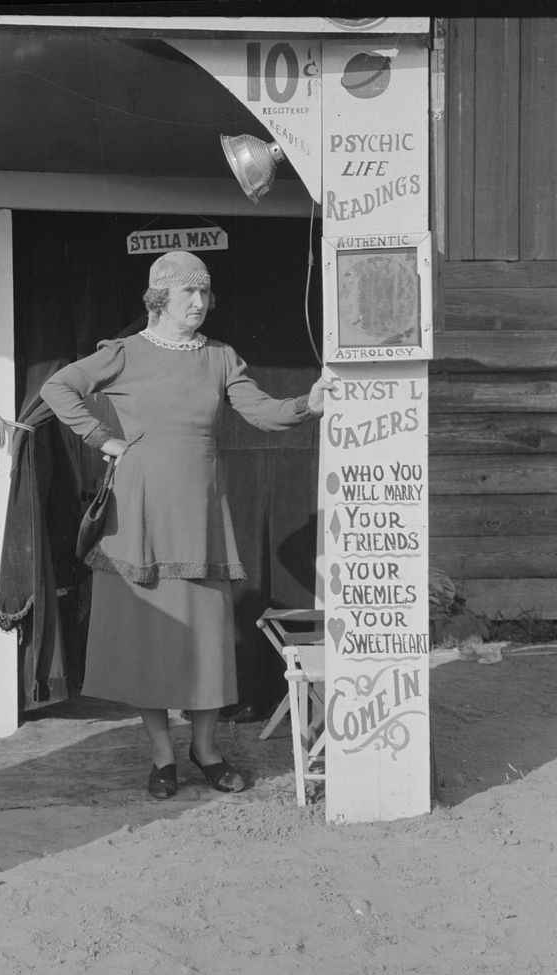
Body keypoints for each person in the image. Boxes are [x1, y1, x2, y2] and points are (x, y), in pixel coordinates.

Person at [40, 250, 333, 799]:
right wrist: (103, 439)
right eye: (187, 294)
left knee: (204, 641)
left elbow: (261, 411)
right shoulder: (124, 354)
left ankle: (207, 751)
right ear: (158, 299)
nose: (199, 304)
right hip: (139, 516)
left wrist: (308, 403)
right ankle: (160, 757)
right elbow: (58, 388)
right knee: (147, 638)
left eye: (205, 294)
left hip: (200, 520)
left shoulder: (221, 357)